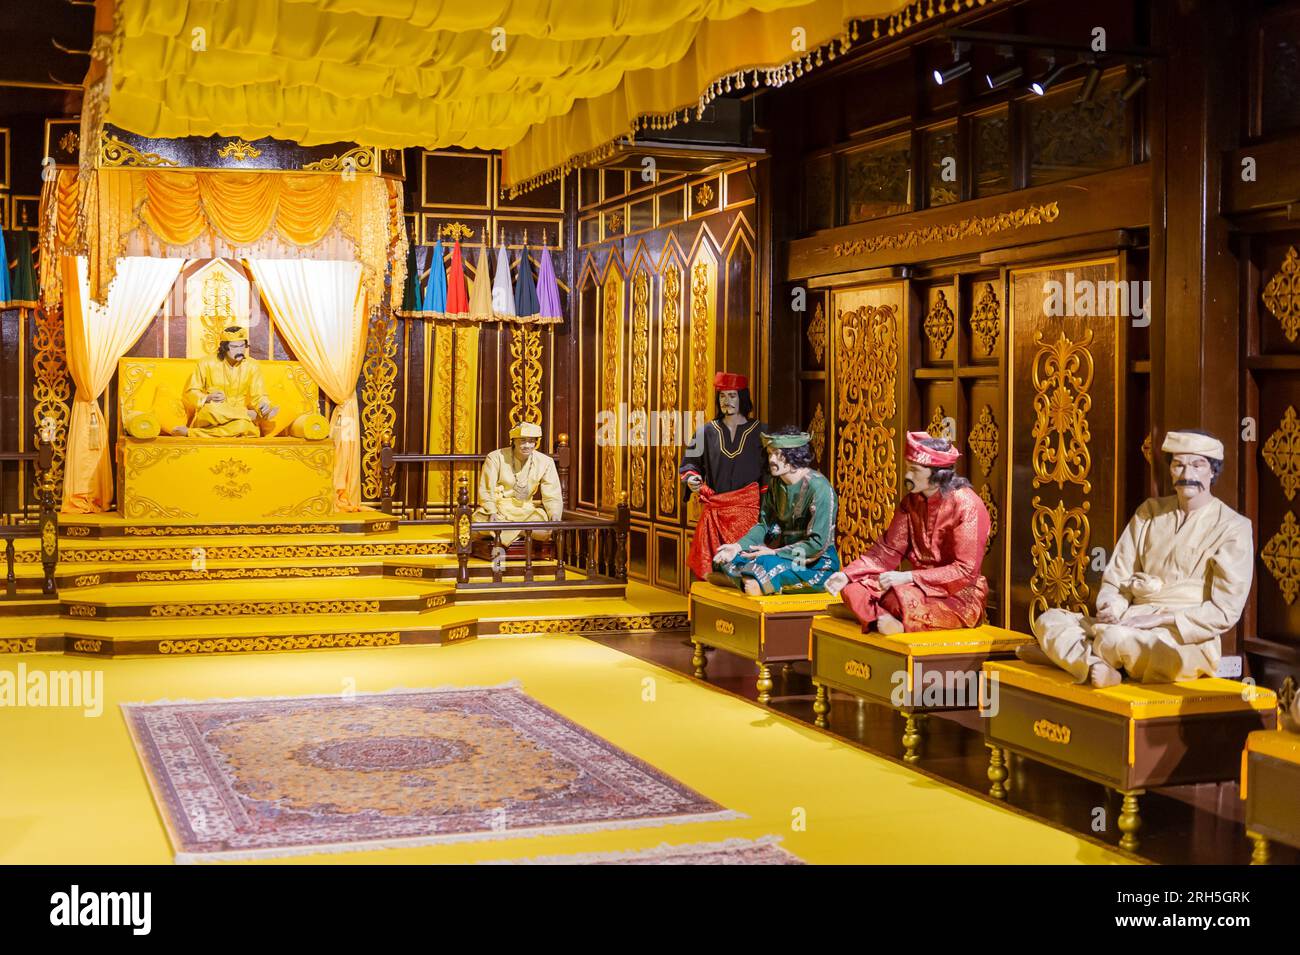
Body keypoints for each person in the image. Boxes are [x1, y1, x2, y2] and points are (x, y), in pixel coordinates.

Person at [1022, 429, 1253, 686]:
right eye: (1179, 465)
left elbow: (1225, 611)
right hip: (1130, 618)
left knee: (1115, 640)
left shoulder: (1234, 527)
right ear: (1171, 470)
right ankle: (1093, 666)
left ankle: (1071, 657)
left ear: (1213, 471)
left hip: (1185, 637)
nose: (1188, 475)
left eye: (1198, 465)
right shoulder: (1150, 512)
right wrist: (1113, 607)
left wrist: (1160, 619)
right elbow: (1117, 576)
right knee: (1049, 619)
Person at [825, 432, 990, 634]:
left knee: (899, 596)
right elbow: (886, 551)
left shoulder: (967, 504)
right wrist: (846, 575)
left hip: (957, 595)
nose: (907, 476)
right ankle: (883, 619)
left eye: (914, 470)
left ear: (936, 473)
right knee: (854, 587)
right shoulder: (911, 503)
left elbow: (965, 570)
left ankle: (878, 616)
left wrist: (909, 577)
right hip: (914, 588)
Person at [712, 427, 839, 595]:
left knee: (767, 562)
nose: (772, 459)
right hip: (780, 553)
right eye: (770, 453)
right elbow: (765, 526)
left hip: (815, 562)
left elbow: (817, 545)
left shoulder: (819, 488)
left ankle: (746, 580)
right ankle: (748, 579)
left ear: (795, 454)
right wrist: (737, 546)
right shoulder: (775, 484)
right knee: (728, 558)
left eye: (778, 454)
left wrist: (774, 552)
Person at [679, 371, 767, 580]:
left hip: (749, 515)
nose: (727, 401)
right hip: (716, 512)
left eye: (732, 396)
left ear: (742, 397)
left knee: (745, 570)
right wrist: (691, 479)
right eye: (722, 396)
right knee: (710, 570)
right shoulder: (705, 432)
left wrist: (767, 512)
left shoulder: (760, 432)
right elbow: (689, 464)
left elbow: (767, 475)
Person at [176, 326, 277, 437]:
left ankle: (190, 433)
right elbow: (191, 392)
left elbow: (259, 395)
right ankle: (246, 415)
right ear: (224, 347)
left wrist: (264, 405)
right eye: (234, 347)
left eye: (242, 346)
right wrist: (207, 398)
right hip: (212, 416)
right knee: (212, 409)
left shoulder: (253, 365)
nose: (239, 350)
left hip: (237, 420)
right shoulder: (205, 363)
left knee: (243, 426)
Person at [473, 421, 563, 546]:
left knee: (545, 531)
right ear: (513, 441)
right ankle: (523, 530)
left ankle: (514, 530)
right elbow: (487, 490)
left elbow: (552, 495)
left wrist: (554, 514)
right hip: (500, 511)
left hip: (526, 511)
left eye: (531, 441)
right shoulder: (495, 457)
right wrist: (492, 511)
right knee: (479, 521)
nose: (527, 445)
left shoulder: (546, 462)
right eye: (522, 441)